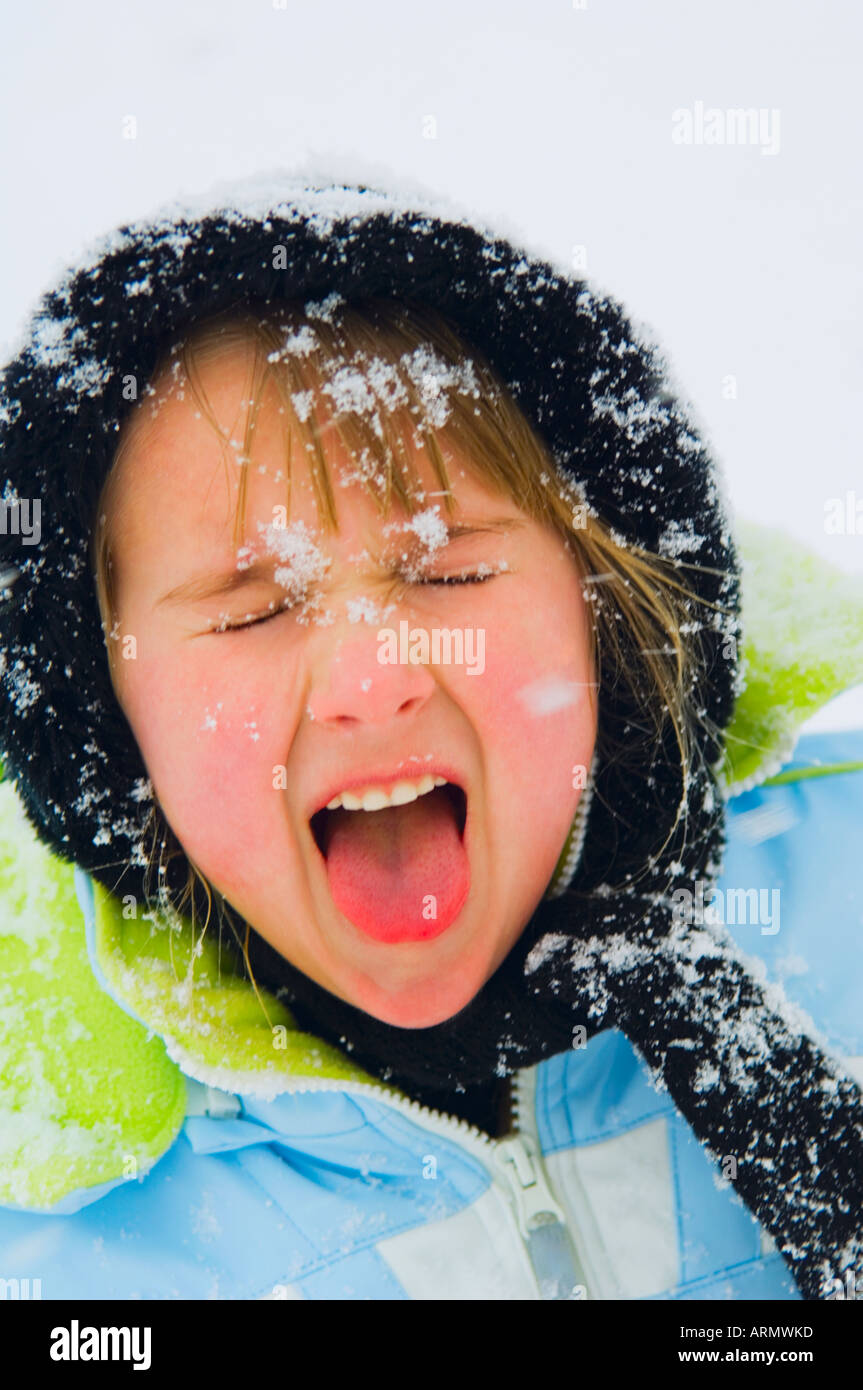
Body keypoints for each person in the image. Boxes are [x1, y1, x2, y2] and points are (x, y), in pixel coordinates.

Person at [0, 170, 860, 1301]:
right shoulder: (58, 1231)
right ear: (110, 719)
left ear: (599, 609)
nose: (373, 681)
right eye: (252, 609)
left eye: (447, 570)